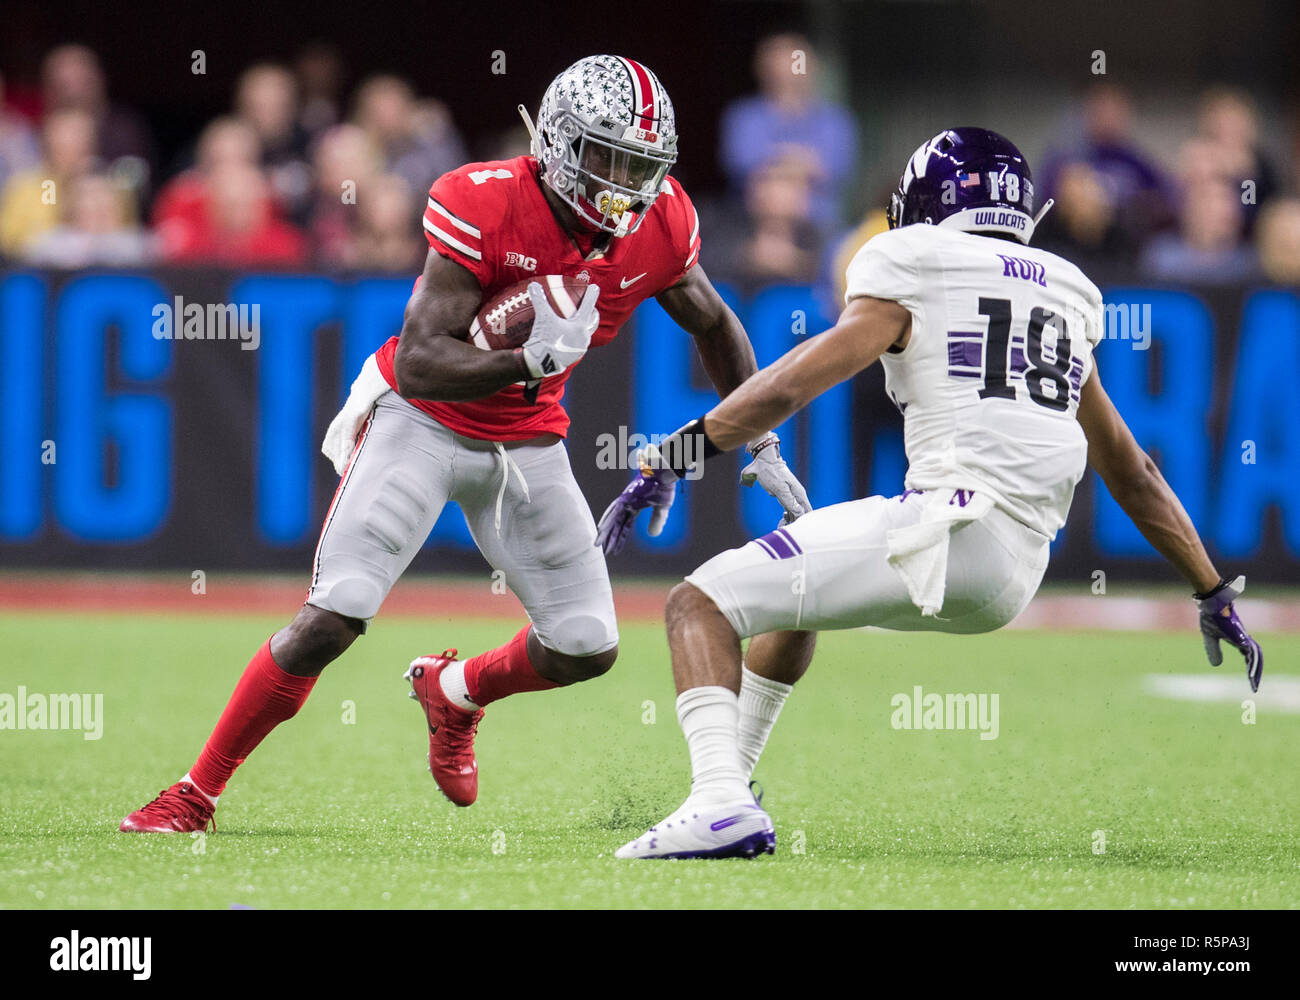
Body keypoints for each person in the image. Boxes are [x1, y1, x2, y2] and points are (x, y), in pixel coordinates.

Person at [119, 54, 814, 834]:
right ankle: (195, 792)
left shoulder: (659, 221)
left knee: (587, 645)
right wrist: (524, 360)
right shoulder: (484, 201)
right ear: (556, 142)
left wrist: (760, 443)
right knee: (334, 616)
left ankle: (454, 693)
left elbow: (714, 322)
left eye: (640, 166)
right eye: (607, 158)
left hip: (526, 441)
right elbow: (419, 362)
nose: (623, 184)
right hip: (423, 420)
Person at [606, 128, 1264, 859]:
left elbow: (794, 382)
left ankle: (717, 805)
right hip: (1018, 570)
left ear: (927, 203)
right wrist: (1210, 590)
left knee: (696, 601)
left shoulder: (910, 258)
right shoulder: (1067, 291)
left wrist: (677, 454)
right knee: (797, 599)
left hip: (948, 532)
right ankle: (734, 786)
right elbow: (1131, 469)